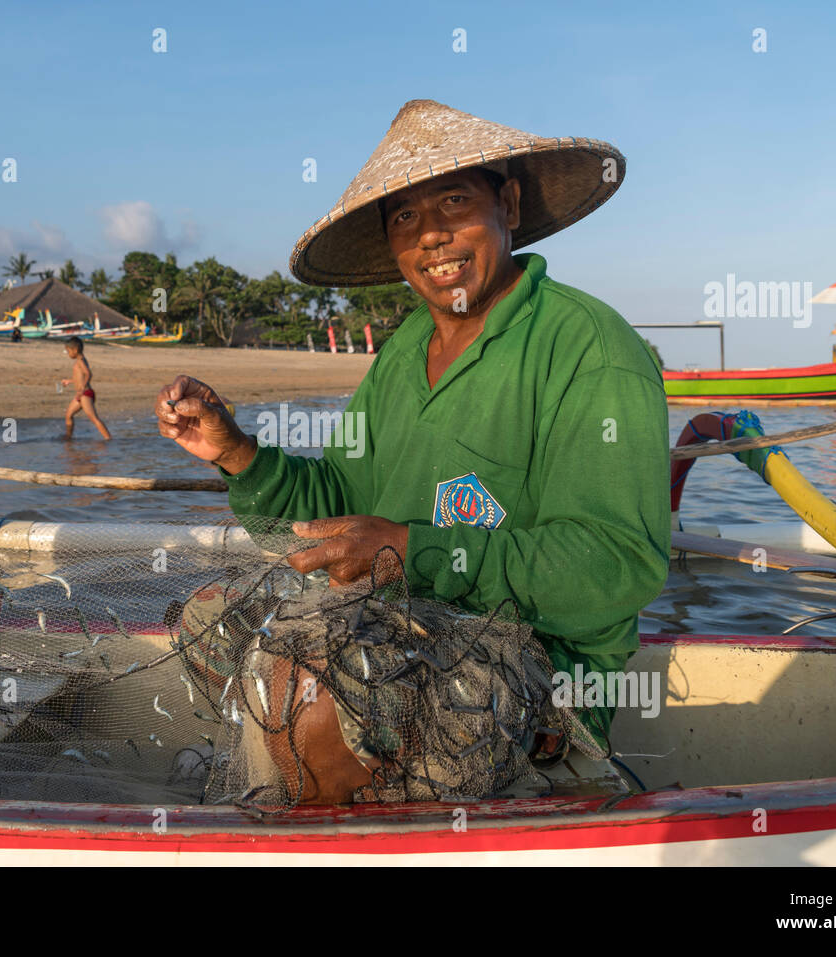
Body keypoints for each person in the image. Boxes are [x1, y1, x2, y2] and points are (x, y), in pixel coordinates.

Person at [157, 100, 670, 801]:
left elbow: (618, 565)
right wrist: (239, 453)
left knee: (313, 687)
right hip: (397, 617)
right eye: (404, 217)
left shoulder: (590, 348)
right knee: (206, 622)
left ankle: (334, 822)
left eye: (454, 201)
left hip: (547, 666)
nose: (431, 235)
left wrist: (410, 548)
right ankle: (337, 799)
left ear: (509, 204)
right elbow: (332, 508)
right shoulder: (401, 354)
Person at [61, 336, 111, 440]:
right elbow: (80, 377)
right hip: (81, 394)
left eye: (68, 351)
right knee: (68, 415)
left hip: (85, 394)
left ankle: (108, 438)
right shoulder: (81, 360)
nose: (68, 354)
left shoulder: (80, 361)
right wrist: (69, 381)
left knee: (93, 418)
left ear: (75, 350)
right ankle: (68, 437)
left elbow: (88, 374)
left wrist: (82, 388)